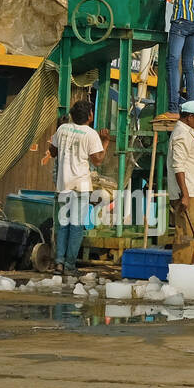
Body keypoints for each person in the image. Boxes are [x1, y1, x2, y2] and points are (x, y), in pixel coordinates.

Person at [48, 100, 108, 273]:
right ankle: (69, 265)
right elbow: (97, 160)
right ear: (89, 116)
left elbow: (53, 152)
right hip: (81, 186)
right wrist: (105, 142)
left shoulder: (62, 129)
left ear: (73, 115)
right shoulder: (90, 134)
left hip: (63, 185)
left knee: (63, 224)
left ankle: (59, 262)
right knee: (76, 226)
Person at [167, 100, 194, 264]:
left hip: (192, 190)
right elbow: (179, 167)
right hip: (186, 193)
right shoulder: (181, 135)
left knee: (191, 233)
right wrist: (184, 194)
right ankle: (180, 272)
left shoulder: (186, 131)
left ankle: (186, 270)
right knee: (186, 233)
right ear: (190, 117)